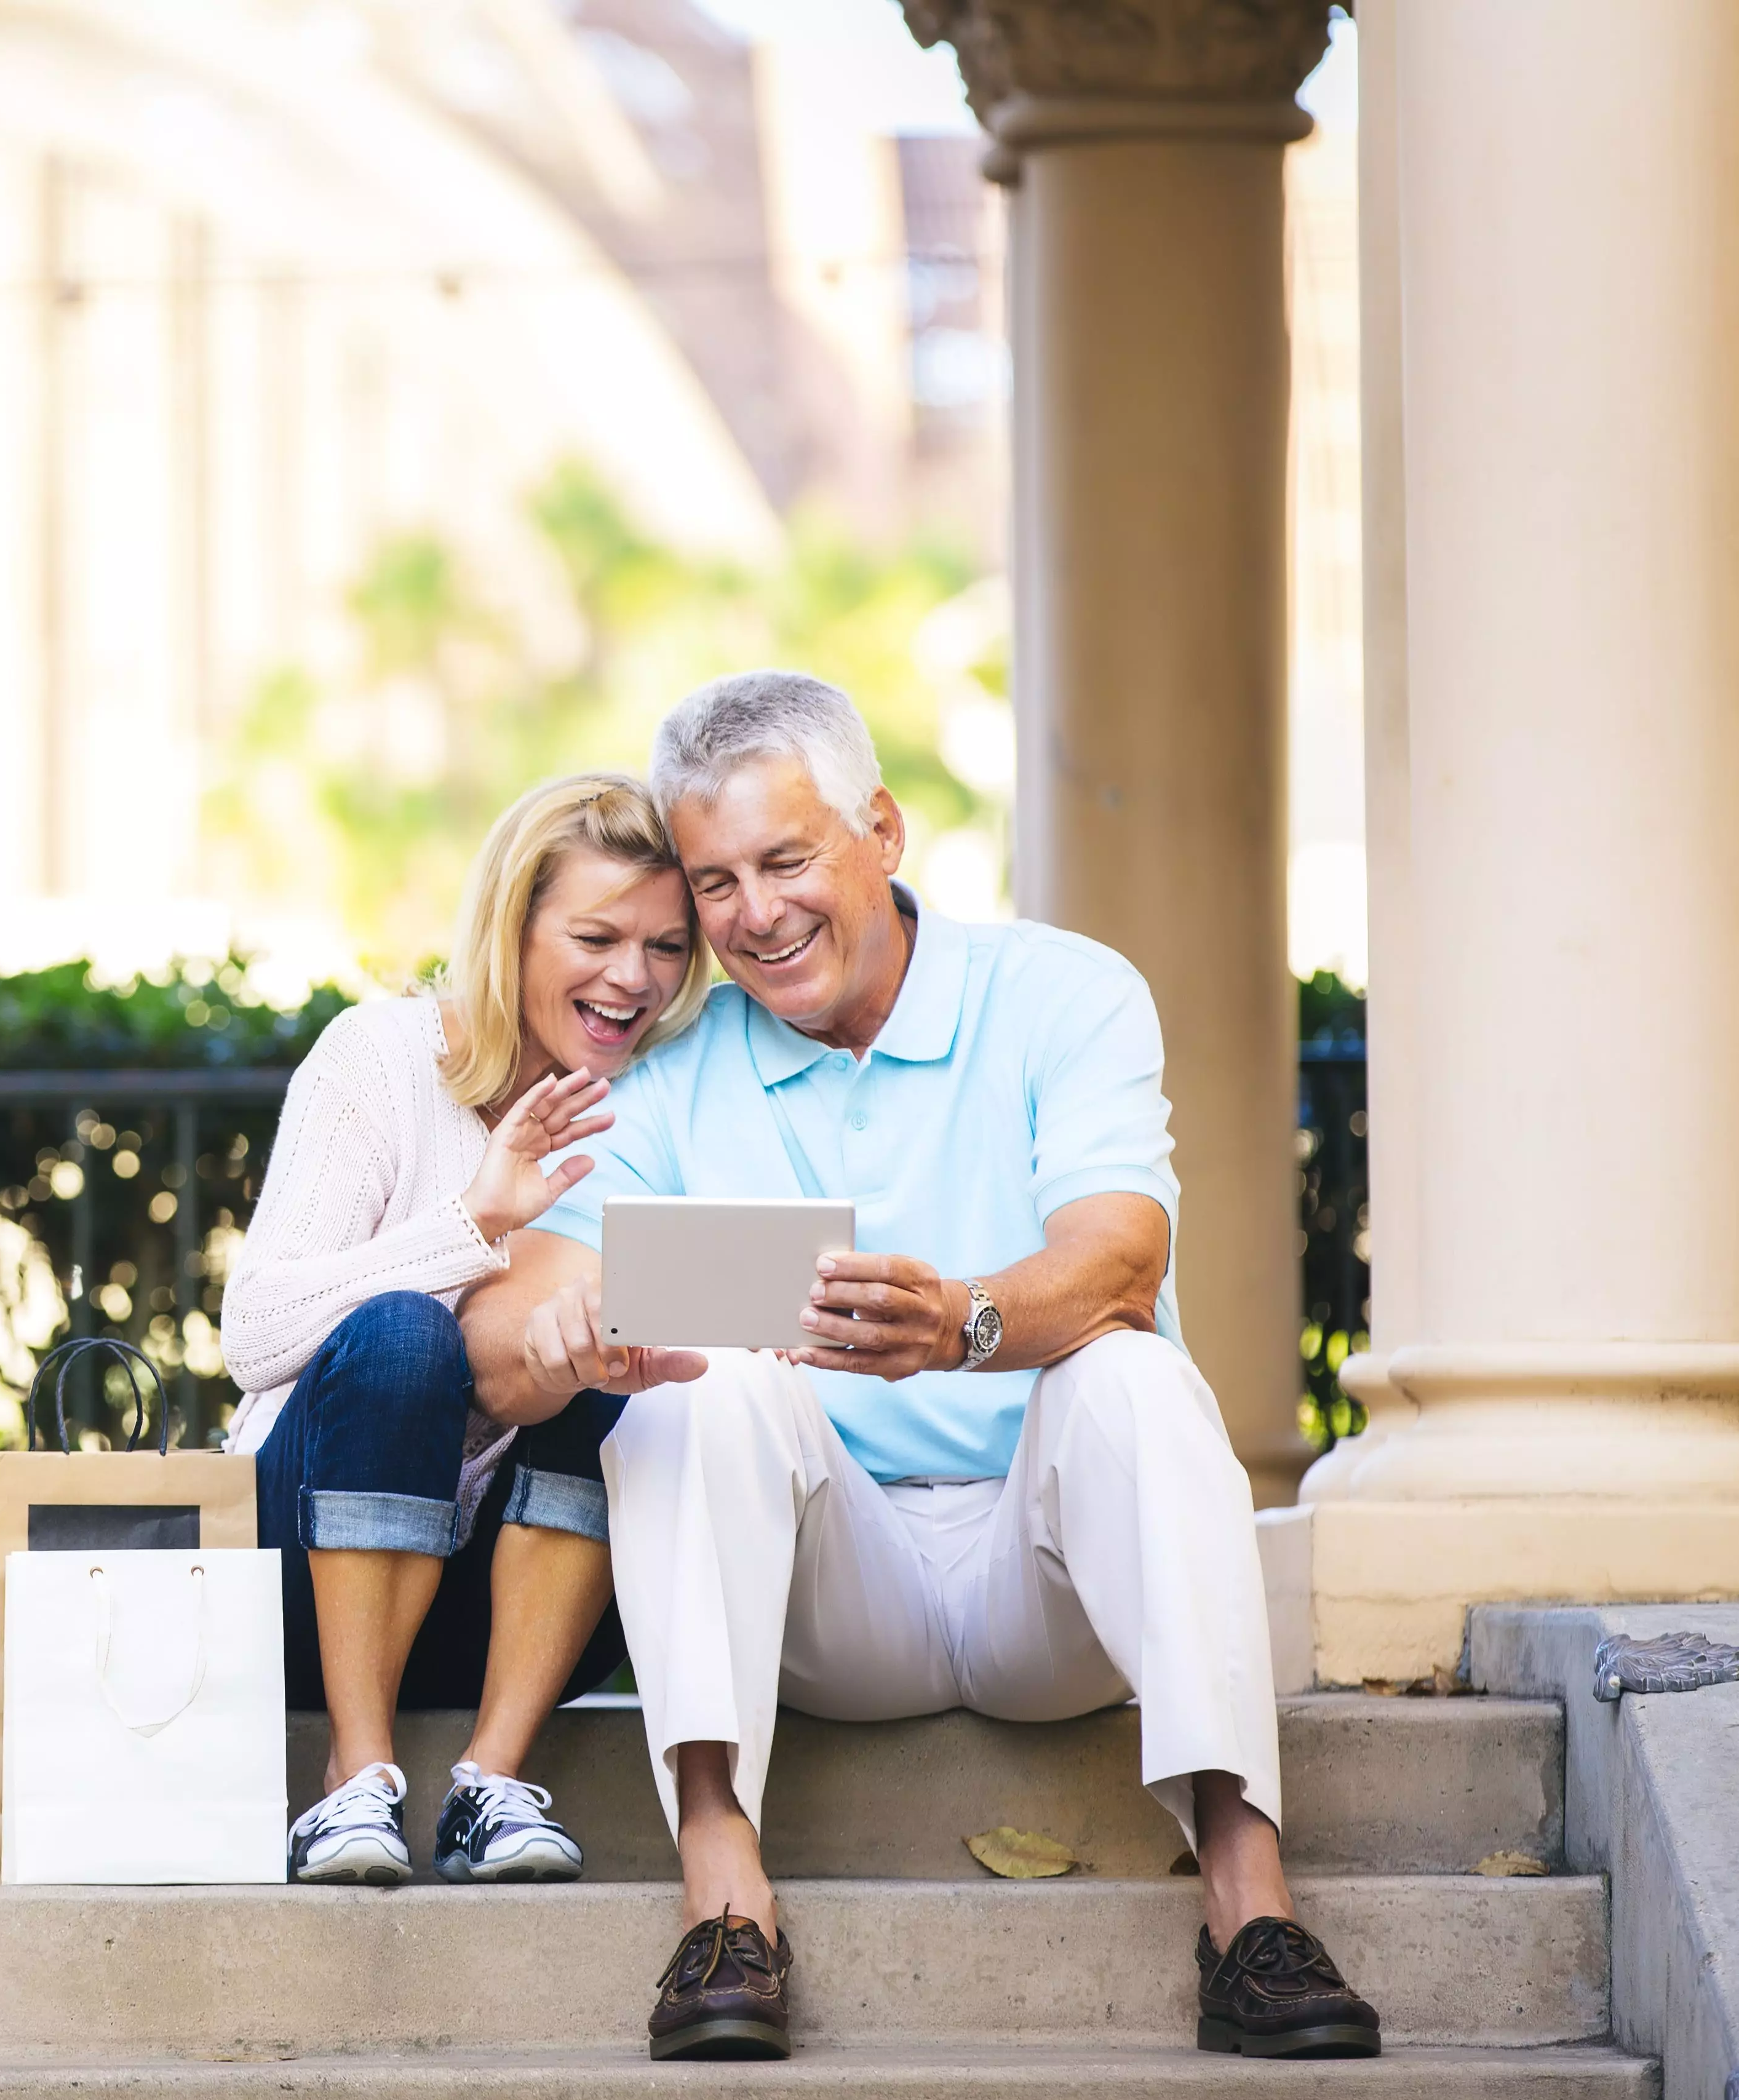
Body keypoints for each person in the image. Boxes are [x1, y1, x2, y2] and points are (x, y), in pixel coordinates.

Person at [457, 672, 1381, 2062]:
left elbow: (1120, 1256)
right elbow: (502, 1324)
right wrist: (563, 1333)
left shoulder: (1062, 993)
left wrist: (968, 1322)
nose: (753, 916)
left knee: (1130, 1373)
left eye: (785, 860)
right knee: (691, 1383)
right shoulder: (670, 1075)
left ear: (880, 831)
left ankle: (1248, 1909)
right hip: (838, 1601)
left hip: (1048, 1577)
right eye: (714, 884)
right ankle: (724, 1900)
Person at [221, 772, 703, 1888]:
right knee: (402, 1337)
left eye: (668, 947)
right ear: (512, 928)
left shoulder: (654, 1095)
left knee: (615, 1333)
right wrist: (475, 1222)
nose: (633, 978)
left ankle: (491, 1781)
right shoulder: (380, 1058)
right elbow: (255, 1335)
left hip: (510, 1603)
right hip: (303, 1575)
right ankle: (354, 1774)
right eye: (596, 935)